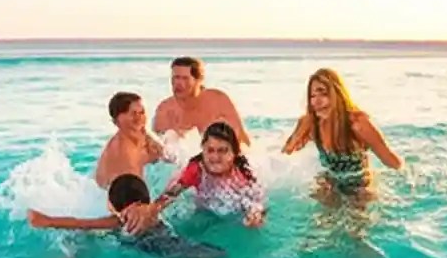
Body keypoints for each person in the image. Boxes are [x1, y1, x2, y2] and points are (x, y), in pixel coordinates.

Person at [28, 174, 224, 258]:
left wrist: (48, 220)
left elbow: (83, 223)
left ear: (114, 206)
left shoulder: (119, 220)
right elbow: (173, 194)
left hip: (156, 248)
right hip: (170, 239)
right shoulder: (152, 212)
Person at [281, 68, 403, 199]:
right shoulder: (310, 123)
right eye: (312, 96)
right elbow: (285, 154)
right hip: (330, 181)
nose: (316, 101)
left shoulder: (357, 124)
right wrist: (299, 134)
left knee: (360, 203)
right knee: (322, 200)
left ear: (337, 94)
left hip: (360, 182)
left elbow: (393, 162)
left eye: (323, 94)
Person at [155, 121, 266, 227]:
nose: (215, 157)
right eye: (210, 150)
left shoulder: (242, 171)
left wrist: (256, 214)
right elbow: (171, 193)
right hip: (205, 211)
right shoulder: (197, 169)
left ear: (234, 153)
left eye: (222, 151)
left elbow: (257, 199)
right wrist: (153, 211)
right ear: (203, 150)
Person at [153, 56, 252, 146]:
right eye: (175, 78)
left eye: (185, 78)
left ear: (199, 80)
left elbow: (242, 141)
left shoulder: (218, 101)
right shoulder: (164, 110)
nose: (178, 84)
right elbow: (157, 153)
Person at [94, 92, 169, 189]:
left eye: (142, 112)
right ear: (117, 120)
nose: (139, 118)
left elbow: (163, 155)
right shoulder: (125, 154)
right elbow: (134, 199)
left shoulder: (138, 132)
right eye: (133, 114)